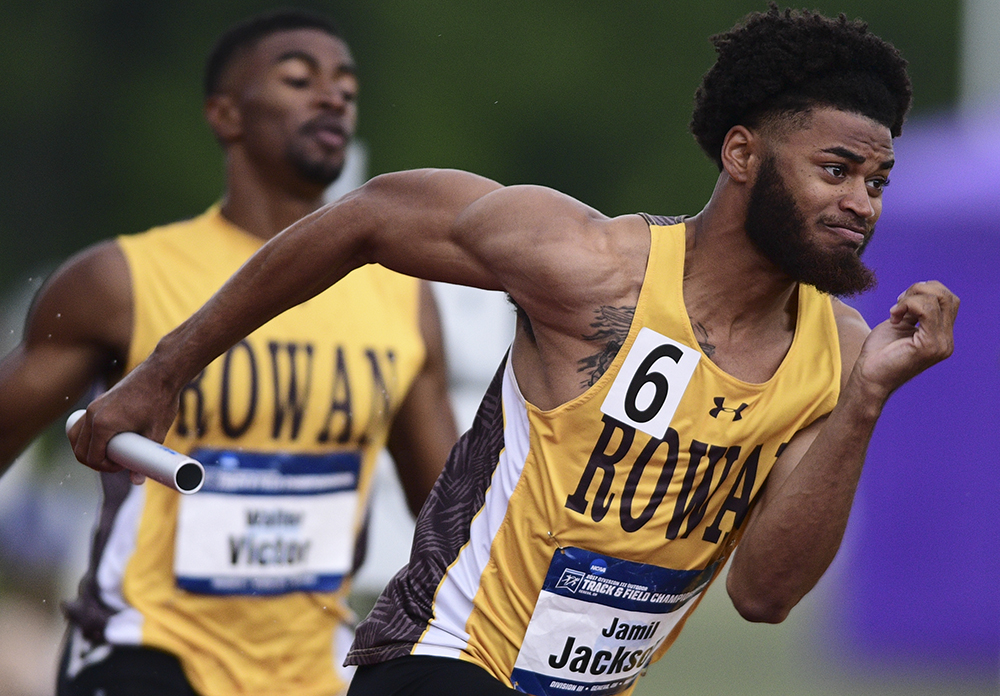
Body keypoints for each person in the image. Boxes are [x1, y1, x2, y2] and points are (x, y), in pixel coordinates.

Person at [69, 5, 959, 696]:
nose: (862, 204)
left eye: (877, 181)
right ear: (741, 154)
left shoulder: (837, 351)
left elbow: (764, 596)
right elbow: (371, 216)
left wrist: (868, 400)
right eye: (835, 170)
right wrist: (163, 373)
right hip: (445, 661)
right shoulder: (588, 266)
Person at [0, 9, 459, 696]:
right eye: (299, 78)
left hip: (310, 672)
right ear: (225, 115)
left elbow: (448, 514)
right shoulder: (121, 280)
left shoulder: (403, 298)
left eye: (346, 86)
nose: (333, 95)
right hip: (145, 648)